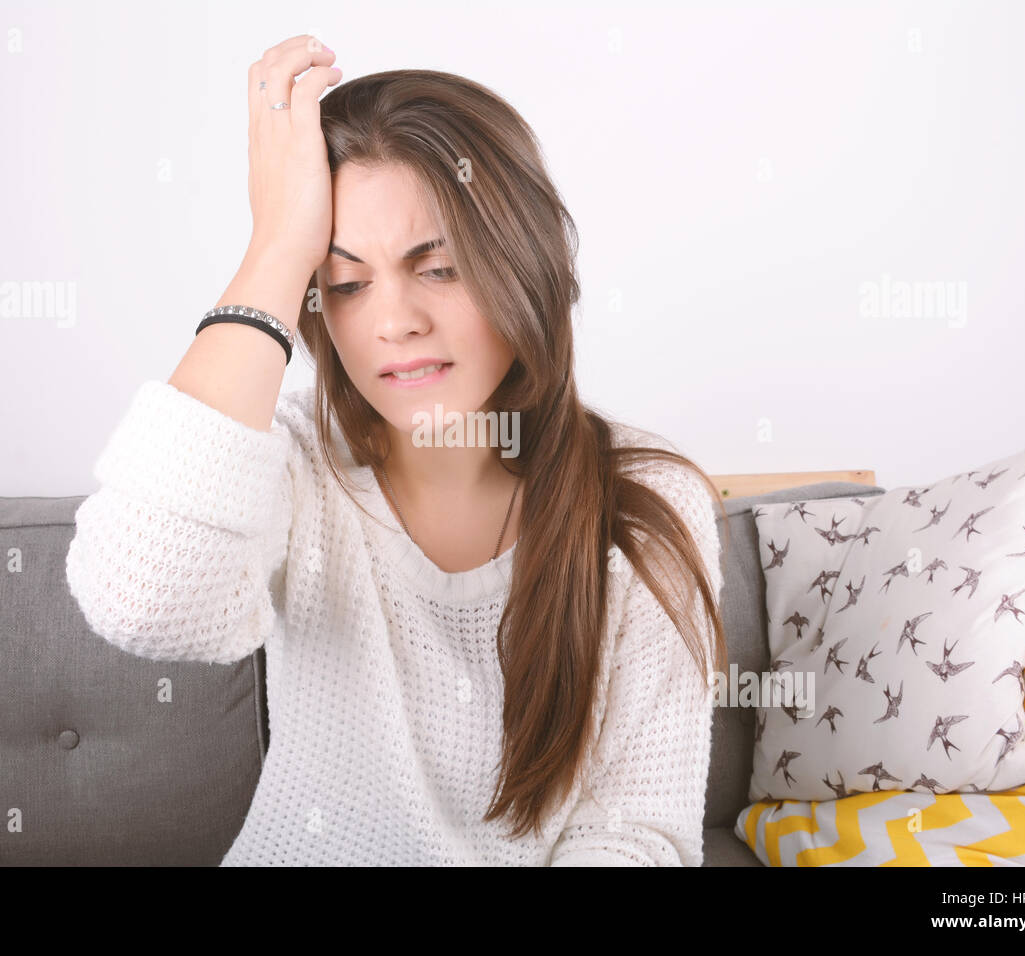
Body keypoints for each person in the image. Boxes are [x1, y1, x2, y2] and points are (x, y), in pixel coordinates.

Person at [65, 33, 731, 866]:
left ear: (523, 267)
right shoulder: (292, 463)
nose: (393, 322)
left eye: (440, 268)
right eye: (345, 283)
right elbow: (140, 596)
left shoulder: (647, 497)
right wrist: (276, 247)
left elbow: (636, 832)